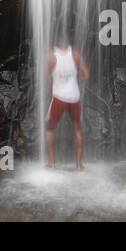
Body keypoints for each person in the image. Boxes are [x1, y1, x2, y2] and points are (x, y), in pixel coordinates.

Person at [45, 34, 89, 170]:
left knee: (49, 128)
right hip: (74, 97)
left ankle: (52, 164)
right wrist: (75, 81)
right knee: (77, 128)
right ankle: (79, 165)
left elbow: (47, 80)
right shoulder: (75, 54)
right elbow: (86, 75)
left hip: (59, 97)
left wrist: (55, 86)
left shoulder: (50, 56)